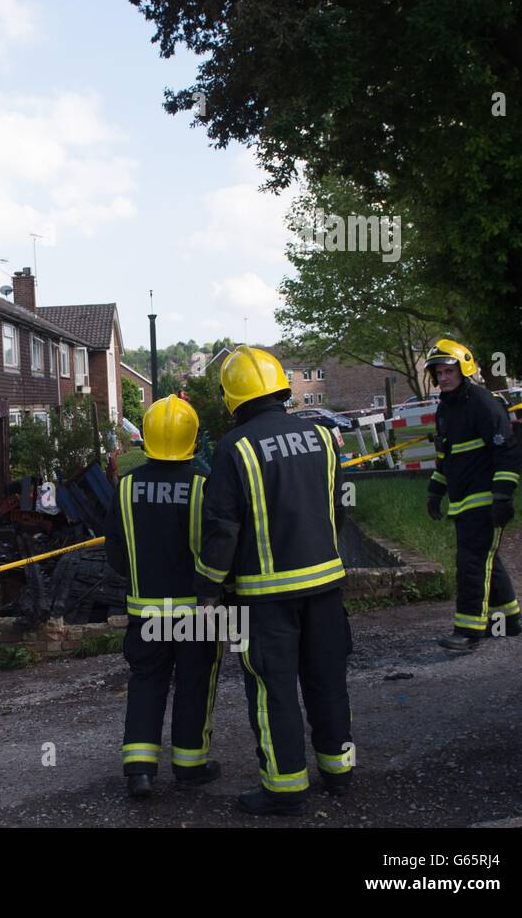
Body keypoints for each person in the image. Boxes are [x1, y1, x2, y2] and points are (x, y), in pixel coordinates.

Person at [194, 345, 353, 816]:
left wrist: (208, 587)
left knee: (273, 688)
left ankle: (285, 788)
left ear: (232, 397)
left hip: (266, 599)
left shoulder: (234, 448)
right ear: (281, 387)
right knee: (328, 680)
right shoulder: (322, 437)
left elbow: (222, 527)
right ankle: (339, 771)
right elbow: (338, 507)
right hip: (326, 586)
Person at [104, 394, 223, 799]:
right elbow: (217, 551)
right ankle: (190, 768)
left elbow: (116, 555)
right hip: (197, 616)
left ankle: (140, 771)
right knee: (193, 685)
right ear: (191, 439)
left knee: (146, 684)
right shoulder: (204, 488)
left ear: (148, 438)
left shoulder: (125, 488)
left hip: (144, 614)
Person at [423, 339, 522, 650]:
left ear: (463, 370)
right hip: (462, 502)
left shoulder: (482, 403)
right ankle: (508, 619)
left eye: (448, 371)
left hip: (485, 498)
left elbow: (506, 453)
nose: (443, 378)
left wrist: (503, 497)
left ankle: (468, 631)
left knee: (471, 562)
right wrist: (435, 491)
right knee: (486, 558)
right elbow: (447, 458)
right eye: (438, 373)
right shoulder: (445, 409)